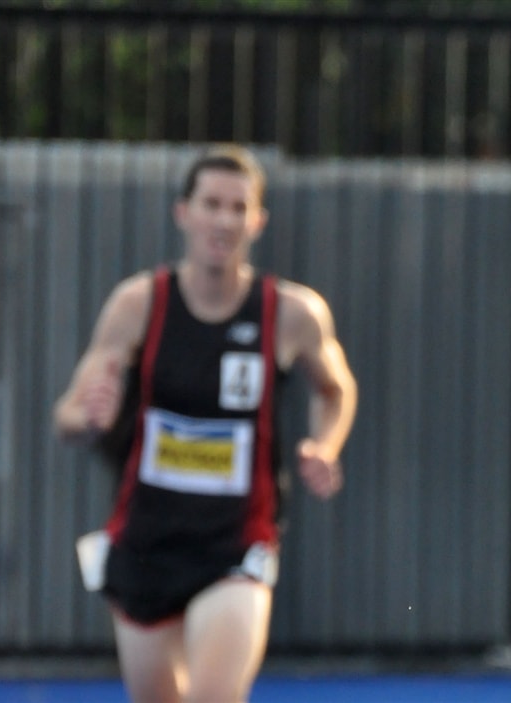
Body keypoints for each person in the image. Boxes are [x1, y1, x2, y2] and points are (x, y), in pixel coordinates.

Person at [53, 145, 358, 703]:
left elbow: (336, 390)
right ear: (183, 213)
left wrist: (324, 444)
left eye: (239, 208)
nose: (224, 220)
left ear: (258, 221)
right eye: (211, 204)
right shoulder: (140, 303)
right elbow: (68, 416)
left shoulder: (291, 312)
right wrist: (90, 417)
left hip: (236, 545)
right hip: (145, 543)